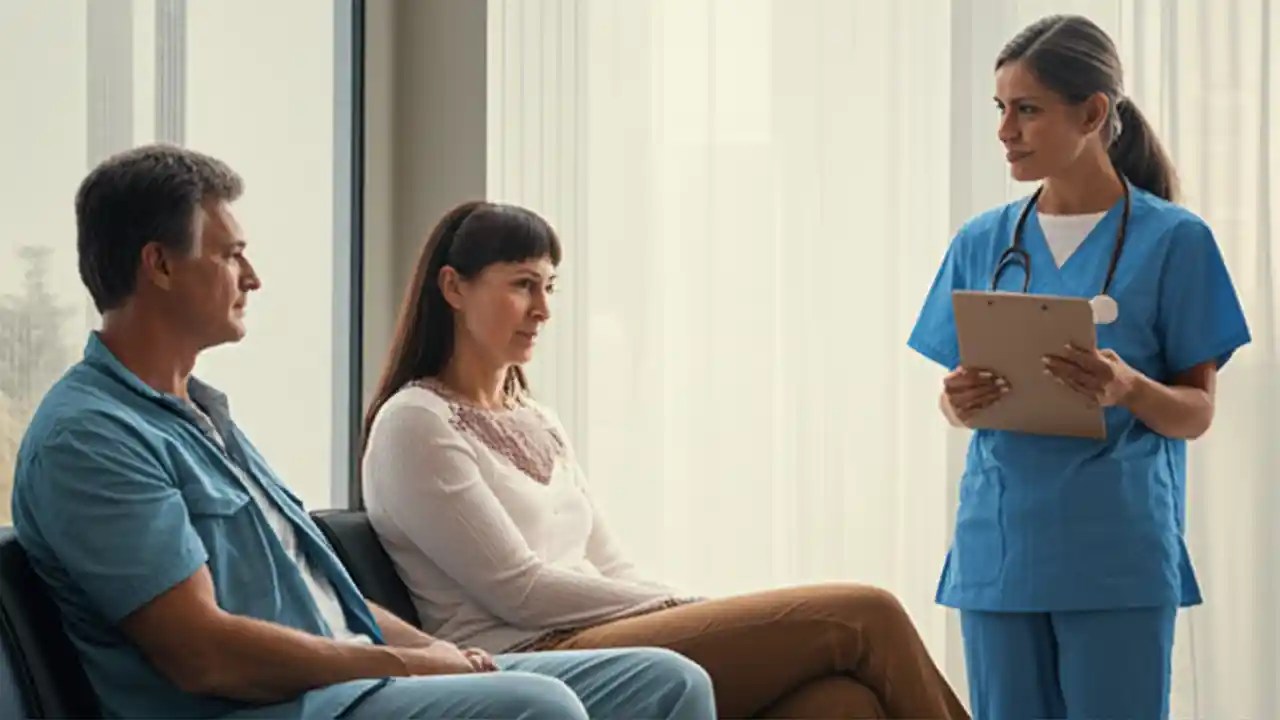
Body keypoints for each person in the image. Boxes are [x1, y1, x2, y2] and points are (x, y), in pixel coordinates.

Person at [10, 144, 716, 720]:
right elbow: (204, 655)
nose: (251, 277)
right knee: (538, 709)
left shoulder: (206, 419)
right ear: (159, 264)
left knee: (668, 683)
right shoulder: (91, 438)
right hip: (285, 708)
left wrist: (433, 653)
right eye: (230, 255)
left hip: (356, 680)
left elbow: (323, 595)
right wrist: (403, 663)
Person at [360, 200, 970, 720]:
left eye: (550, 286)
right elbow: (520, 591)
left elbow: (608, 562)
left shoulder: (536, 417)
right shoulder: (416, 422)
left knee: (842, 704)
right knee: (865, 613)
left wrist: (677, 606)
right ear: (453, 288)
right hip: (527, 653)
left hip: (596, 634)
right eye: (522, 284)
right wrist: (677, 607)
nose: (543, 308)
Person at [907, 15, 1251, 720]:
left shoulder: (1176, 242)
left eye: (1027, 110)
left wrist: (1128, 387)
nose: (1006, 130)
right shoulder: (984, 240)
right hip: (1000, 550)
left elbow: (1197, 412)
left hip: (1114, 553)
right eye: (1001, 109)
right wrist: (958, 399)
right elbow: (953, 400)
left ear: (1094, 113)